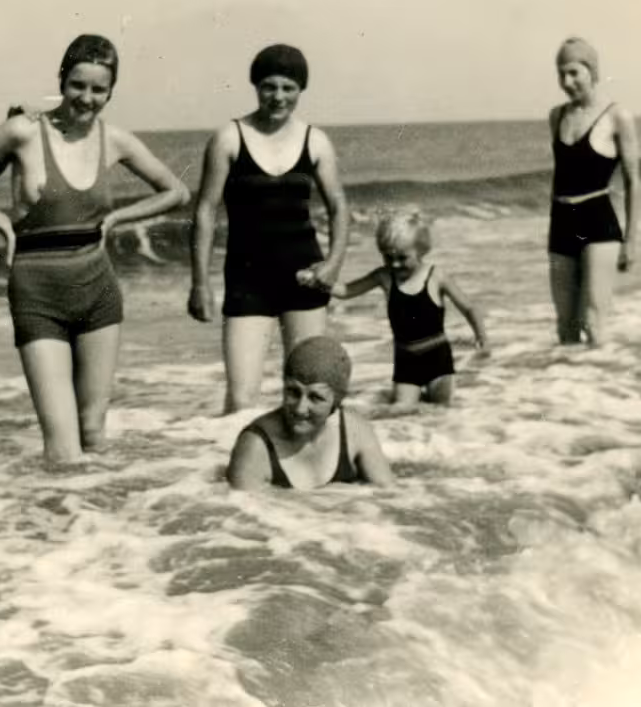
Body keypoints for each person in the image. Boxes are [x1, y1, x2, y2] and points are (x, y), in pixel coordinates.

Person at [0, 35, 189, 463]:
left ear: (110, 92)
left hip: (98, 288)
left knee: (92, 431)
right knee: (63, 446)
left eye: (98, 90)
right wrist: (0, 221)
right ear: (61, 81)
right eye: (77, 85)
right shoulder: (24, 131)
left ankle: (100, 526)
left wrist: (117, 218)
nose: (86, 98)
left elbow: (175, 191)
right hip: (37, 293)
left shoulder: (117, 141)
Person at [188, 44, 350, 413]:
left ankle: (307, 470)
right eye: (269, 86)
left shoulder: (315, 141)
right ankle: (242, 469)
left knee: (308, 393)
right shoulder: (229, 138)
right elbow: (205, 211)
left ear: (300, 90)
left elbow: (340, 206)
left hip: (305, 277)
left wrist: (333, 264)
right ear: (256, 86)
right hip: (248, 279)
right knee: (242, 399)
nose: (278, 96)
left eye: (288, 88)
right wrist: (200, 283)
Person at [330, 209, 489, 408]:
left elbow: (469, 307)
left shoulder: (436, 276)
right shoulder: (384, 277)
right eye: (388, 257)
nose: (395, 264)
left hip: (438, 360)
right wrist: (320, 281)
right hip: (406, 362)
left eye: (403, 258)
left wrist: (482, 338)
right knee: (400, 409)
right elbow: (346, 291)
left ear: (421, 250)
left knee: (442, 413)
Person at [547, 37, 640, 346]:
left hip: (597, 220)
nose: (566, 81)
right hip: (561, 222)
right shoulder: (556, 116)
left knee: (593, 320)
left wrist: (631, 240)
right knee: (565, 325)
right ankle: (567, 392)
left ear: (593, 71)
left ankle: (600, 387)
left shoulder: (617, 116)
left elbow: (633, 181)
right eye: (561, 74)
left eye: (574, 72)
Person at [226, 336, 396, 490]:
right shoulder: (256, 447)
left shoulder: (355, 431)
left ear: (336, 402)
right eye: (293, 392)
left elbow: (390, 497)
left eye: (315, 397)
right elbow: (243, 516)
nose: (300, 408)